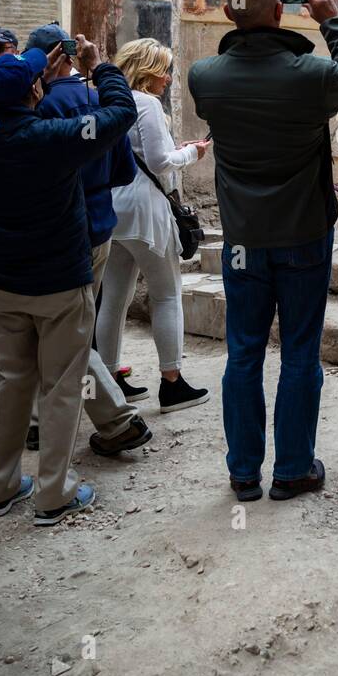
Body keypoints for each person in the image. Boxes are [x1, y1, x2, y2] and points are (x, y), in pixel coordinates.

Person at [188, 0, 338, 503]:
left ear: (228, 14)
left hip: (243, 241)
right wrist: (332, 21)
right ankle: (292, 469)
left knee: (243, 354)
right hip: (303, 237)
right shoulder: (309, 75)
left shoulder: (204, 77)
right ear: (279, 11)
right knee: (298, 354)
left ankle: (244, 472)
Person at [0, 37, 138, 525]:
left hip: (1, 281)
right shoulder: (54, 138)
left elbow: (15, 95)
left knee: (6, 381)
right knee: (63, 386)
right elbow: (119, 113)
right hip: (60, 282)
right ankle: (54, 493)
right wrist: (97, 66)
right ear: (34, 93)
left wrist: (41, 60)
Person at [30, 23, 151, 457]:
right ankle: (43, 418)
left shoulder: (38, 110)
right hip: (100, 224)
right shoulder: (98, 101)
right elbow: (124, 170)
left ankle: (105, 421)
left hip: (58, 230)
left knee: (64, 328)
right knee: (70, 324)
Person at [95, 39, 210, 414]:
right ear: (148, 70)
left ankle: (110, 380)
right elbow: (160, 161)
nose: (168, 78)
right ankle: (172, 383)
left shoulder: (106, 99)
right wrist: (193, 151)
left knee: (114, 297)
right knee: (166, 294)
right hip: (145, 210)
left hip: (112, 207)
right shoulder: (146, 103)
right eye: (165, 70)